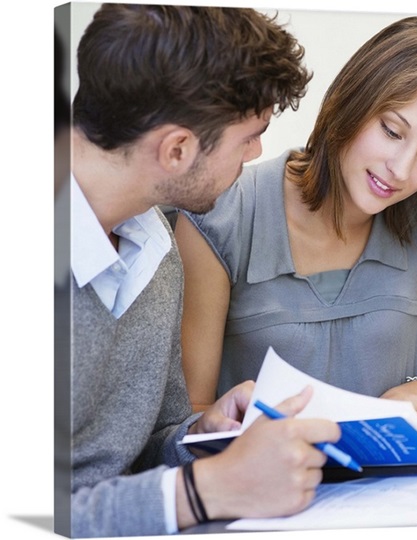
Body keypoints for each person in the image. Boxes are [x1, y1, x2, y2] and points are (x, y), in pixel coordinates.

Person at [65, 4, 341, 537]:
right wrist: (208, 488)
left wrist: (203, 432)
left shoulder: (155, 246)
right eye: (249, 136)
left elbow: (143, 445)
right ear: (177, 149)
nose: (260, 152)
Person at [175, 16, 417, 423]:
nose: (401, 170)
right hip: (269, 480)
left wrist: (412, 397)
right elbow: (189, 415)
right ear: (352, 102)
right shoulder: (221, 214)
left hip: (395, 481)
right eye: (392, 131)